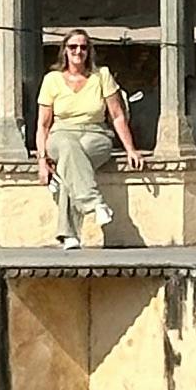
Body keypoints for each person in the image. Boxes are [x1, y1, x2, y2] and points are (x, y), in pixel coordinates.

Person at [34, 29, 142, 245]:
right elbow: (43, 124)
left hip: (96, 133)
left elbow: (117, 116)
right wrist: (41, 161)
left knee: (68, 166)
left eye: (83, 47)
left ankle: (69, 235)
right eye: (73, 47)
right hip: (61, 132)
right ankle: (94, 203)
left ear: (89, 51)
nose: (78, 51)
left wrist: (130, 148)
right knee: (67, 147)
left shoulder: (102, 75)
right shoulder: (52, 79)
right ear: (65, 51)